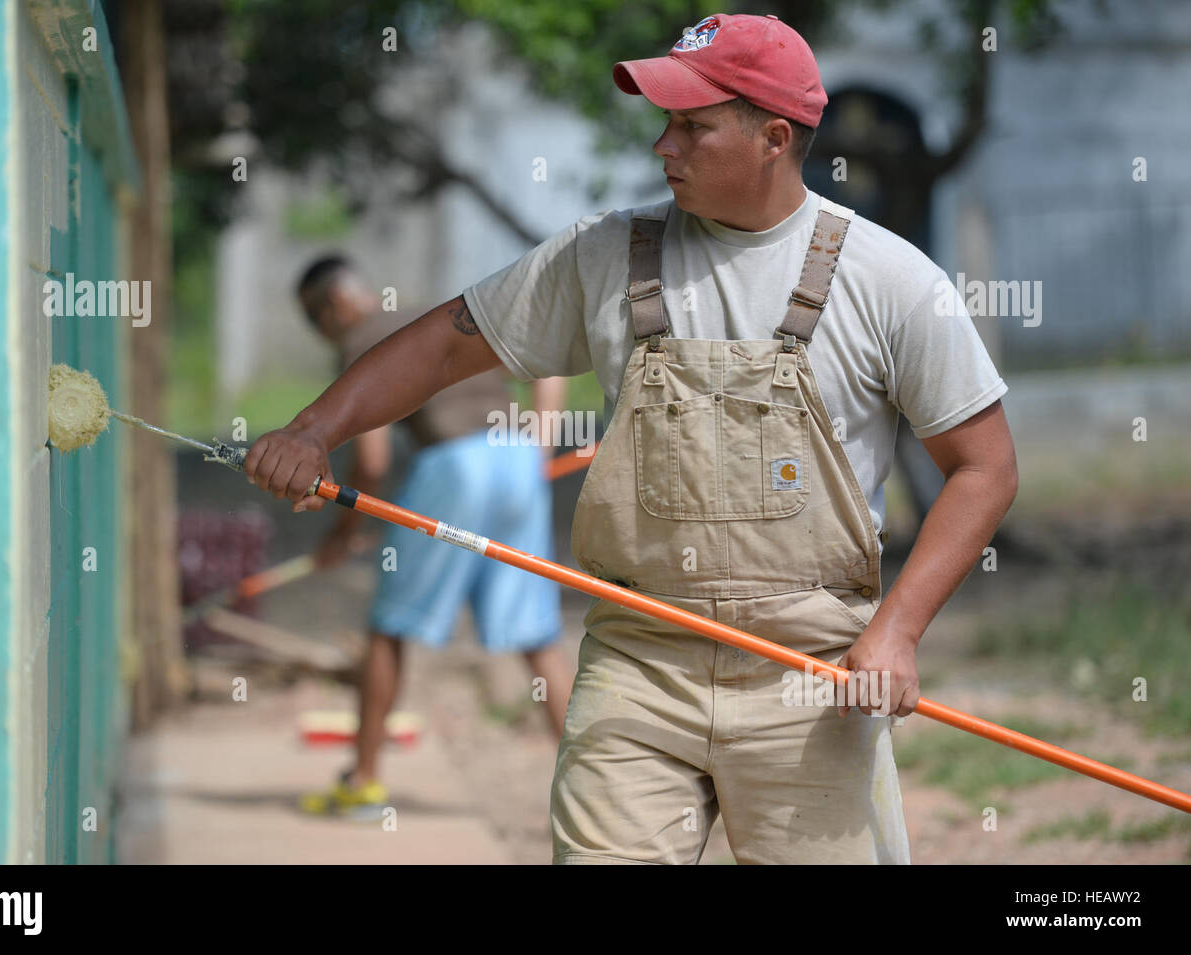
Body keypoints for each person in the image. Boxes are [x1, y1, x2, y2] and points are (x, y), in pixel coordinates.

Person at [248, 14, 1017, 863]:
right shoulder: (605, 255)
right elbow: (441, 345)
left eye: (691, 125)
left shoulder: (893, 280)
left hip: (811, 678)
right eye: (663, 122)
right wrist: (315, 427)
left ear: (773, 136)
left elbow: (983, 469)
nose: (663, 145)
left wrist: (899, 629)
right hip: (638, 666)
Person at [291, 254, 573, 818]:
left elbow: (369, 464)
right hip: (519, 463)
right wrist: (540, 443)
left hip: (453, 470)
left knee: (388, 628)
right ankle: (592, 793)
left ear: (333, 306)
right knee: (536, 635)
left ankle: (364, 783)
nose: (322, 335)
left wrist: (343, 533)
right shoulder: (439, 317)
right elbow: (553, 360)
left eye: (315, 321)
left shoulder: (363, 339)